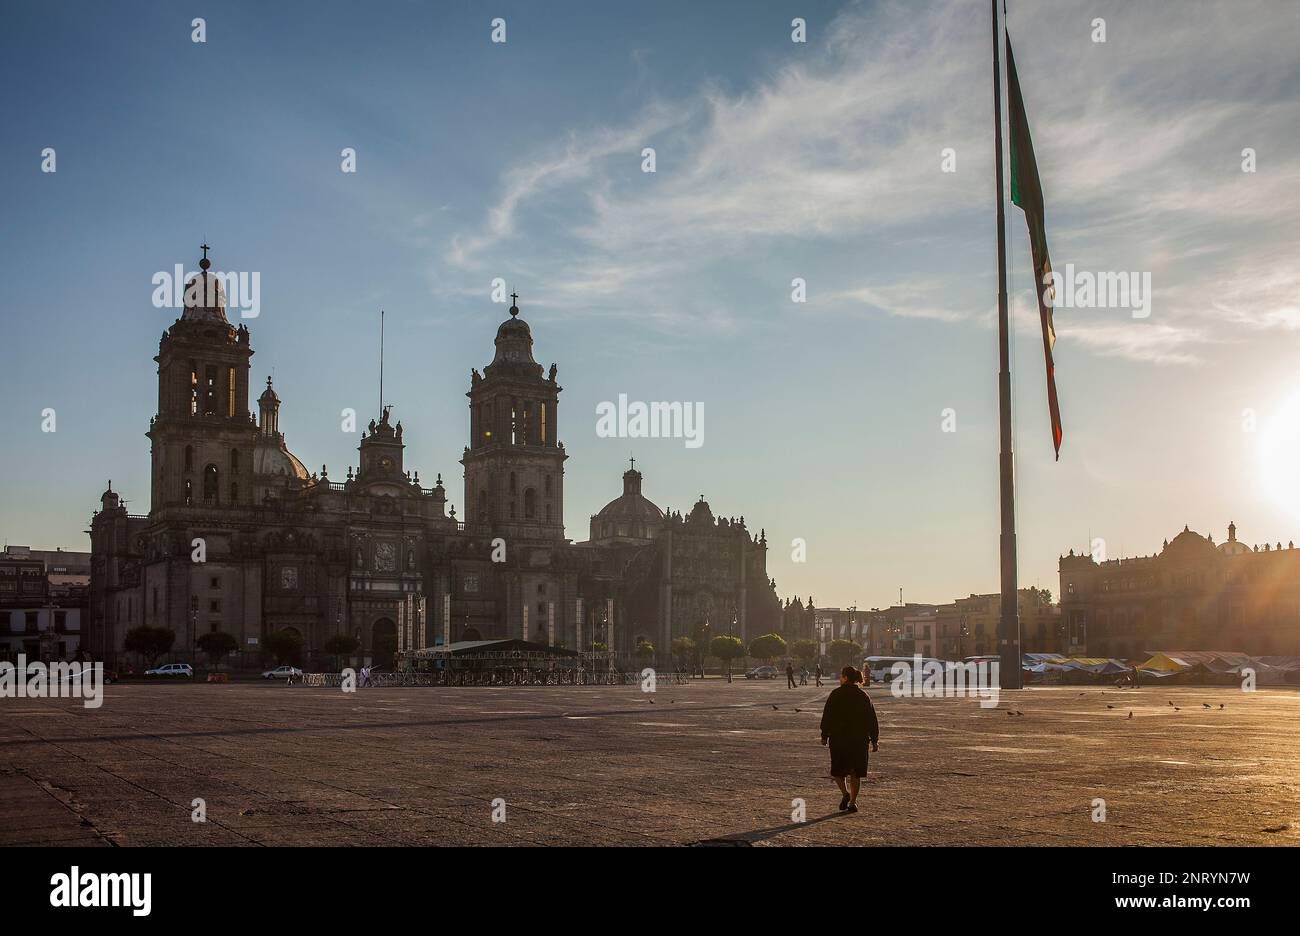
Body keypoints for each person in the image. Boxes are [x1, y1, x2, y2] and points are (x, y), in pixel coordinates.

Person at [819, 666, 879, 813]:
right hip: (859, 740)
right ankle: (852, 803)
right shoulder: (863, 695)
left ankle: (845, 794)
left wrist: (824, 735)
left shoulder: (835, 694)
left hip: (839, 738)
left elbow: (827, 716)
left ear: (845, 677)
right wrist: (874, 740)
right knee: (855, 772)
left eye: (841, 676)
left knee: (837, 771)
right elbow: (872, 719)